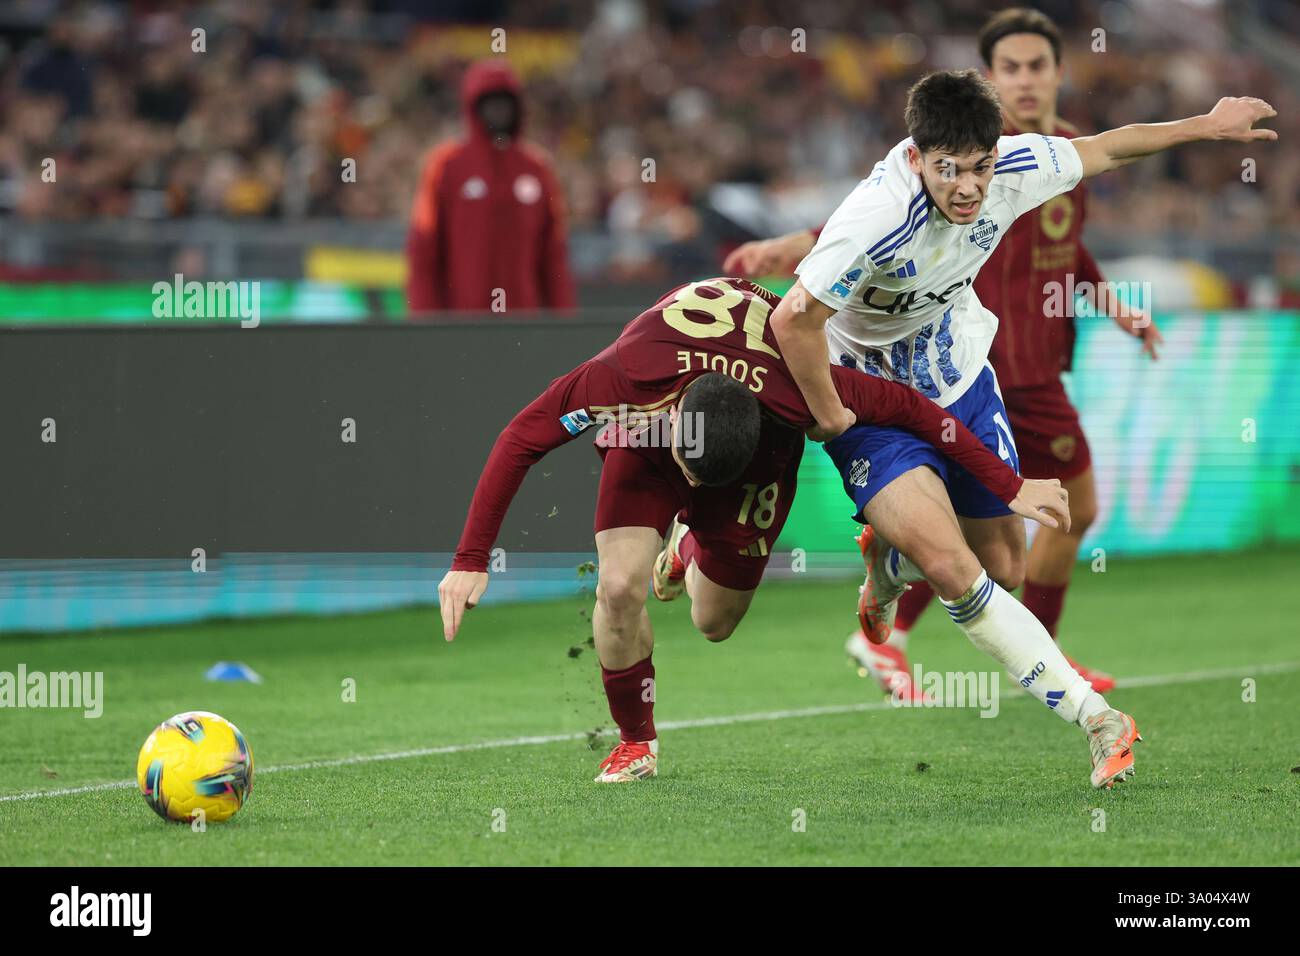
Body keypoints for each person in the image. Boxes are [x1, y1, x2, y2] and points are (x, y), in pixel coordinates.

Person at [764, 69, 1274, 787]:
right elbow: (792, 318)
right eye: (949, 172)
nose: (968, 188)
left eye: (978, 167)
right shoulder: (876, 217)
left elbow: (1108, 148)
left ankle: (889, 561)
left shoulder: (1017, 166)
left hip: (961, 379)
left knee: (1004, 567)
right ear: (916, 159)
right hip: (872, 405)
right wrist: (830, 412)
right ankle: (1098, 720)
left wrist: (1205, 125)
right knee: (956, 570)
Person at [438, 276, 1068, 783]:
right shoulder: (625, 376)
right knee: (621, 587)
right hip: (649, 441)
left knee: (713, 623)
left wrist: (1012, 487)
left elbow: (915, 409)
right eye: (695, 482)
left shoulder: (796, 391)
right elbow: (520, 436)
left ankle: (690, 543)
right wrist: (470, 558)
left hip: (756, 458)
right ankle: (636, 743)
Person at [726, 9, 1160, 699]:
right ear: (990, 78)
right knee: (1063, 507)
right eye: (1010, 68)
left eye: (1036, 66)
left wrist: (1117, 309)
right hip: (990, 369)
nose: (1024, 80)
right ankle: (1036, 659)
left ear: (1057, 73)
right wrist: (795, 243)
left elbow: (1069, 256)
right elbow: (874, 227)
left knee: (997, 544)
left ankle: (901, 619)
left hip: (1027, 362)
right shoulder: (968, 159)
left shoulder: (1043, 160)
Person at [406, 59, 575, 314]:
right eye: (490, 104)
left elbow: (553, 255)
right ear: (474, 108)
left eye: (505, 103)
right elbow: (424, 249)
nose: (499, 111)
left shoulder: (537, 168)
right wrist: (425, 320)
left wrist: (563, 320)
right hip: (461, 321)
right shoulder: (445, 166)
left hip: (522, 321)